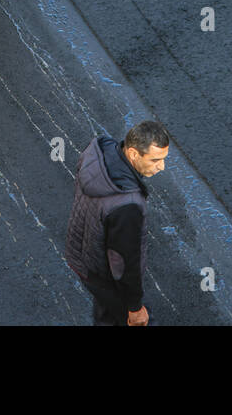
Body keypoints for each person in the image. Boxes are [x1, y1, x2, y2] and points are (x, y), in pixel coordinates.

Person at [64, 120, 171, 326]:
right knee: (139, 321)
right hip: (101, 274)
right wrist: (134, 307)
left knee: (106, 315)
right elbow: (123, 264)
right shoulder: (127, 205)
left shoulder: (99, 154)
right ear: (133, 153)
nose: (162, 167)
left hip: (81, 255)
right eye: (155, 160)